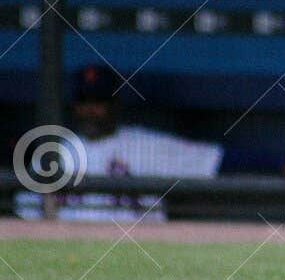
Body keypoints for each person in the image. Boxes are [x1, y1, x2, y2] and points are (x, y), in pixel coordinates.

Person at [12, 65, 222, 224]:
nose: (90, 110)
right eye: (83, 102)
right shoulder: (53, 152)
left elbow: (220, 160)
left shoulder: (148, 145)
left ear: (116, 105)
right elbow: (25, 213)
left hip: (139, 248)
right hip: (69, 247)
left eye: (98, 102)